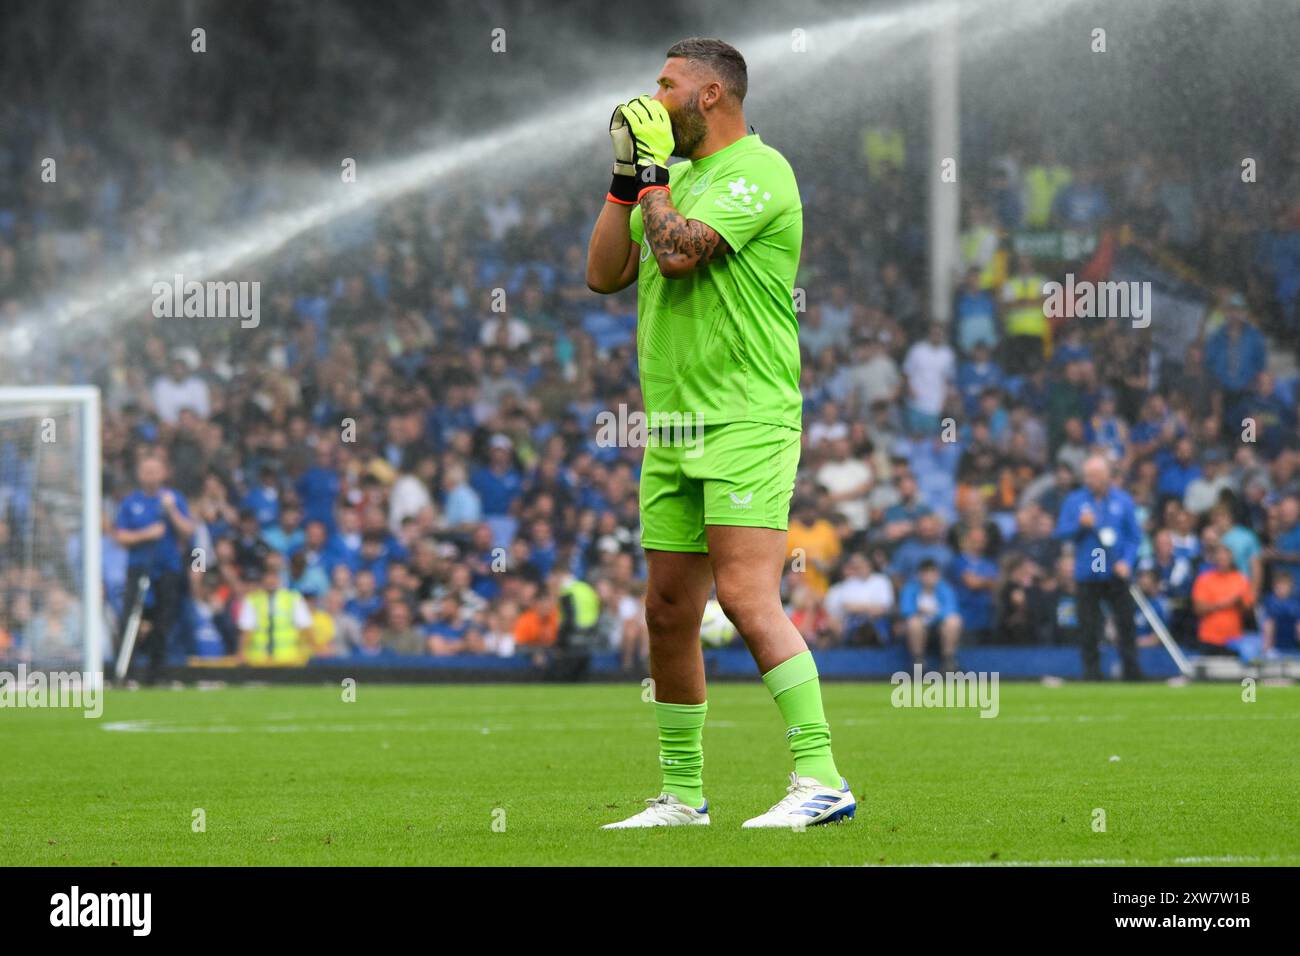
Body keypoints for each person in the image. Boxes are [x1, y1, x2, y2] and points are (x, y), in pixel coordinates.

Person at [586, 37, 852, 829]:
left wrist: (657, 174)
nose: (652, 99)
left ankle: (820, 777)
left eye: (666, 86)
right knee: (667, 609)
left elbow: (674, 256)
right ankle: (682, 796)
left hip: (745, 415)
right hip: (670, 421)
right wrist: (625, 180)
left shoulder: (759, 172)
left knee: (742, 595)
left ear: (709, 97)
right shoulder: (676, 178)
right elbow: (605, 273)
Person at [1053, 454, 1143, 680]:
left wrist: (1127, 561)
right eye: (1086, 476)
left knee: (1125, 623)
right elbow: (1061, 532)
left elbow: (1134, 538)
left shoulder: (1123, 501)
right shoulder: (1075, 501)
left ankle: (1131, 670)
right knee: (1089, 626)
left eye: (1093, 476)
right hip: (1088, 572)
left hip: (1115, 571)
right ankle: (1091, 671)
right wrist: (1079, 525)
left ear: (1106, 476)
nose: (1089, 480)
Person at [112, 454, 195, 683]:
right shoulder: (130, 503)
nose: (150, 475)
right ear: (139, 475)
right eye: (146, 471)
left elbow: (188, 531)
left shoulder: (174, 499)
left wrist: (172, 512)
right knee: (131, 620)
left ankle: (155, 675)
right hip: (138, 569)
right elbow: (120, 536)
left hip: (168, 570)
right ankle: (123, 673)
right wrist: (146, 534)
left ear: (163, 474)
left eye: (155, 470)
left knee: (163, 622)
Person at [237, 564, 314, 665]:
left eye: (273, 577)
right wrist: (241, 652)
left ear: (279, 578)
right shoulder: (252, 600)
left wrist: (309, 652)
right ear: (262, 579)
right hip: (259, 661)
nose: (270, 581)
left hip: (289, 660)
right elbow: (246, 631)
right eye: (267, 577)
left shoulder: (293, 598)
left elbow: (305, 629)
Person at [899, 559, 962, 671]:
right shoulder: (910, 588)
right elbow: (907, 610)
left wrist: (930, 612)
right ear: (919, 575)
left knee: (954, 621)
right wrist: (924, 612)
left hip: (939, 628)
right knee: (914, 622)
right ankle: (918, 661)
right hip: (917, 629)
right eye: (925, 574)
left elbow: (951, 609)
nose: (929, 577)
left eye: (932, 574)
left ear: (938, 575)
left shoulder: (945, 589)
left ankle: (948, 660)